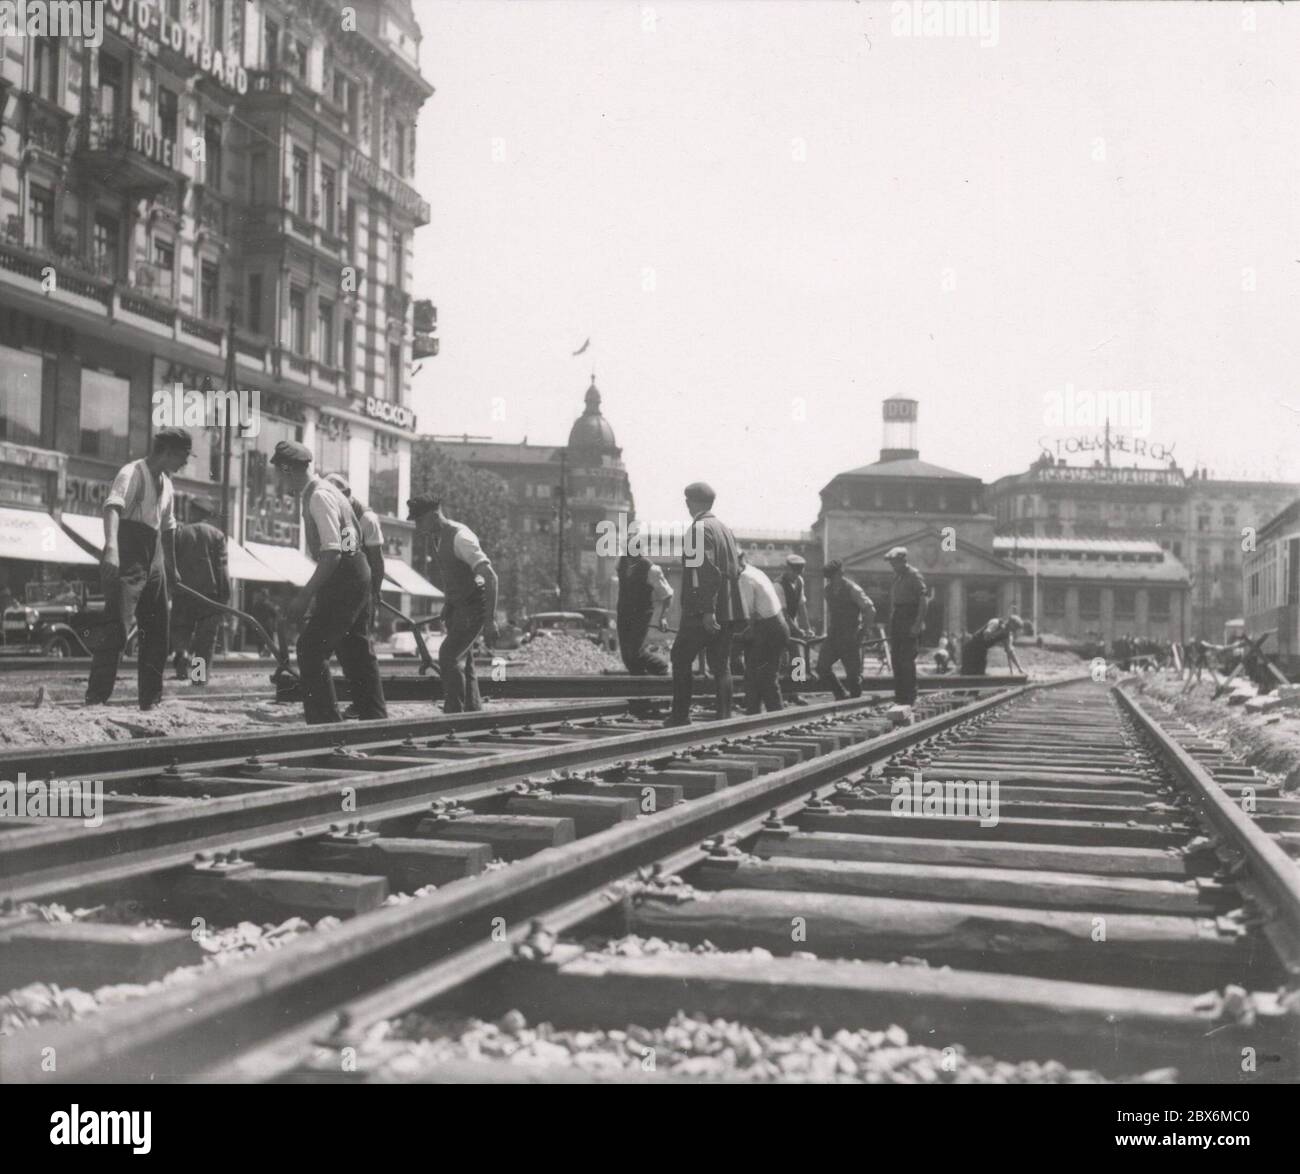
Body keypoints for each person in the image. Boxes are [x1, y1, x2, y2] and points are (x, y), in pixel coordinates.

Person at [272, 441, 387, 724]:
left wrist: (305, 595)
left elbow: (332, 553)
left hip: (344, 576)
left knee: (310, 649)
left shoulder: (318, 496)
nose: (276, 478)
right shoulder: (329, 491)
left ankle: (326, 726)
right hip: (355, 572)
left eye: (277, 472)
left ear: (287, 470)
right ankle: (376, 721)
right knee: (357, 651)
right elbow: (349, 543)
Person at [85, 427, 192, 709]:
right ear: (167, 452)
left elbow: (168, 529)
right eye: (183, 456)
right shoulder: (131, 472)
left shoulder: (167, 484)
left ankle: (150, 700)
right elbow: (112, 508)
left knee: (158, 631)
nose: (186, 463)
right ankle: (96, 697)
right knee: (118, 626)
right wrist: (111, 548)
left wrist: (171, 567)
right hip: (128, 550)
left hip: (153, 554)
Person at [408, 493, 498, 713]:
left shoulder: (460, 537)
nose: (418, 527)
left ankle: (453, 714)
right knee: (464, 660)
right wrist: (448, 604)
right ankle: (472, 712)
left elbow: (490, 576)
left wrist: (490, 621)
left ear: (433, 515)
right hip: (459, 608)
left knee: (448, 655)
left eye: (420, 520)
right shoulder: (437, 537)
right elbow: (453, 574)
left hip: (473, 607)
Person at [667, 482, 743, 726]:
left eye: (687, 501)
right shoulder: (725, 530)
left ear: (693, 502)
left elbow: (706, 570)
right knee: (721, 665)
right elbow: (735, 569)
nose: (686, 505)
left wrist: (707, 610)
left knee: (680, 657)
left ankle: (680, 717)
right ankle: (724, 719)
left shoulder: (699, 529)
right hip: (726, 610)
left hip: (702, 610)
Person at [170, 501, 230, 684]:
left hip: (183, 592)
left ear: (192, 512)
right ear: (209, 515)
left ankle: (182, 654)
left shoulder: (180, 533)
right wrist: (225, 596)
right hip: (208, 596)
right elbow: (222, 569)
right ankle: (197, 679)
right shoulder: (217, 535)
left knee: (182, 630)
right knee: (205, 641)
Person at [325, 472, 385, 626]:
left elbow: (377, 559)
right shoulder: (331, 514)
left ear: (347, 495)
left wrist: (376, 590)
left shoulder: (367, 519)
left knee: (357, 639)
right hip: (339, 585)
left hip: (361, 588)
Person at [616, 527, 673, 675]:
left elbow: (667, 595)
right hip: (623, 613)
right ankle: (640, 692)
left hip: (640, 614)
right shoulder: (620, 564)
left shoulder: (651, 569)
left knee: (635, 652)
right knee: (627, 657)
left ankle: (661, 667)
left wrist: (663, 617)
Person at [736, 552, 789, 713]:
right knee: (758, 674)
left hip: (768, 628)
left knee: (763, 675)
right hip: (777, 626)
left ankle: (774, 716)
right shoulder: (754, 571)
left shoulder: (744, 577)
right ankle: (756, 713)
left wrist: (743, 635)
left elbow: (750, 614)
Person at [817, 560, 876, 699]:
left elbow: (870, 610)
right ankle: (840, 694)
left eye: (832, 576)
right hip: (834, 635)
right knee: (822, 667)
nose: (830, 580)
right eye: (829, 577)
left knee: (852, 676)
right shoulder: (828, 590)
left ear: (839, 574)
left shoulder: (853, 589)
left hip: (850, 636)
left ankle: (855, 702)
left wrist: (863, 630)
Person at [885, 546, 928, 708]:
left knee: (906, 660)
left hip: (910, 617)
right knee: (896, 658)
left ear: (902, 561)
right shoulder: (898, 577)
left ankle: (909, 696)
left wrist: (917, 624)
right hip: (898, 618)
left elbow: (923, 601)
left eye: (894, 562)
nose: (892, 565)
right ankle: (900, 695)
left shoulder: (913, 575)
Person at [961, 614, 1025, 675]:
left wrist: (1019, 668)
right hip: (971, 649)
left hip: (982, 652)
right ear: (1011, 624)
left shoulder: (1006, 635)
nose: (1013, 631)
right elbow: (986, 635)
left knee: (980, 674)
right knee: (967, 673)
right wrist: (999, 632)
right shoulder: (995, 622)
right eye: (1014, 628)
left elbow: (1010, 652)